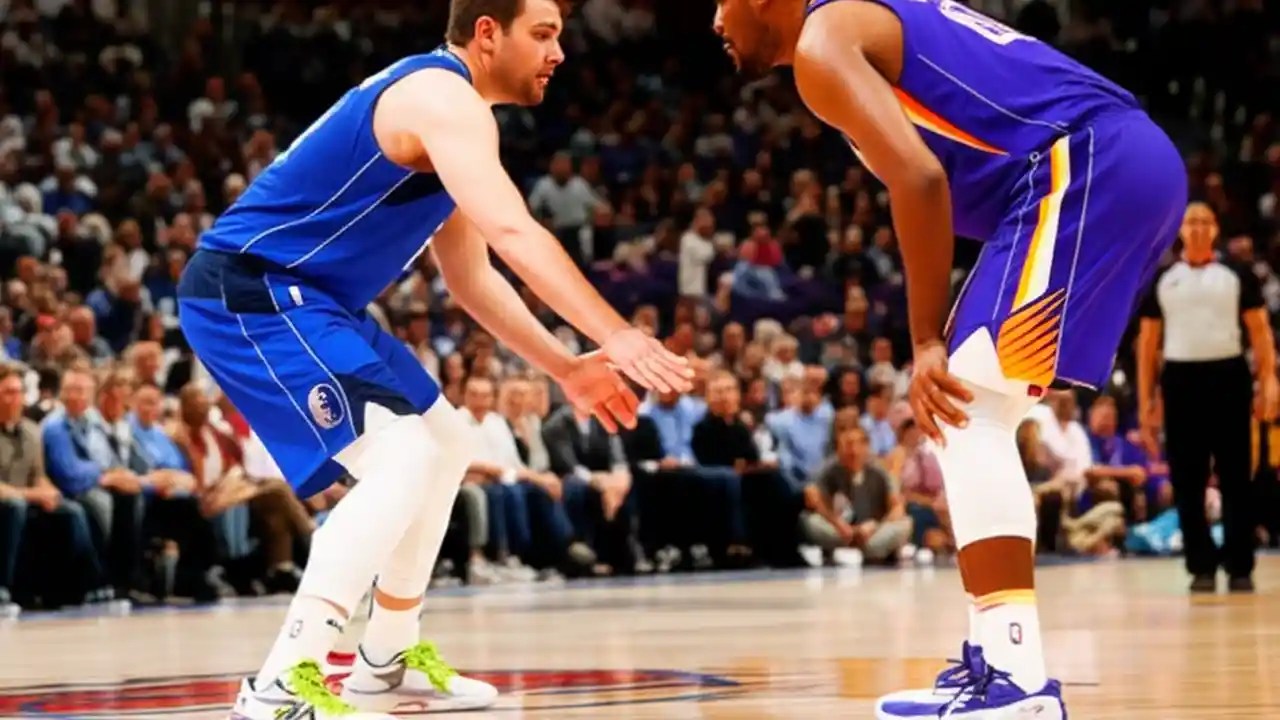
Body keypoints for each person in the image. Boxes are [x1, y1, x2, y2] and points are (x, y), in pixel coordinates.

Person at [176, 1, 691, 718]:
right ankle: (280, 684)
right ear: (488, 33)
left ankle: (385, 656)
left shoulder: (453, 112)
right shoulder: (443, 99)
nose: (560, 53)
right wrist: (615, 332)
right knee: (403, 458)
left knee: (450, 443)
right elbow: (515, 230)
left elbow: (472, 279)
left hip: (314, 297)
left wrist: (568, 366)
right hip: (250, 288)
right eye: (543, 34)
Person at [713, 0, 1188, 717]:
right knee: (968, 416)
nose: (713, 20)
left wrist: (926, 339)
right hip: (1107, 163)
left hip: (1084, 164)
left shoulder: (822, 40)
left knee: (960, 408)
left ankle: (1016, 674)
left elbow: (921, 180)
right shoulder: (852, 24)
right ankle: (998, 662)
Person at [1137, 202, 1278, 593]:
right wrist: (1146, 402)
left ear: (1215, 230)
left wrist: (1269, 381)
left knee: (1236, 477)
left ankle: (1240, 566)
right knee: (1187, 478)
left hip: (1228, 375)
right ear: (1180, 230)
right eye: (1190, 222)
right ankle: (1200, 565)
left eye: (1204, 222)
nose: (1197, 228)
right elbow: (1147, 346)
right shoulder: (1163, 277)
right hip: (1180, 379)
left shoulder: (1236, 274)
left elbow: (1261, 333)